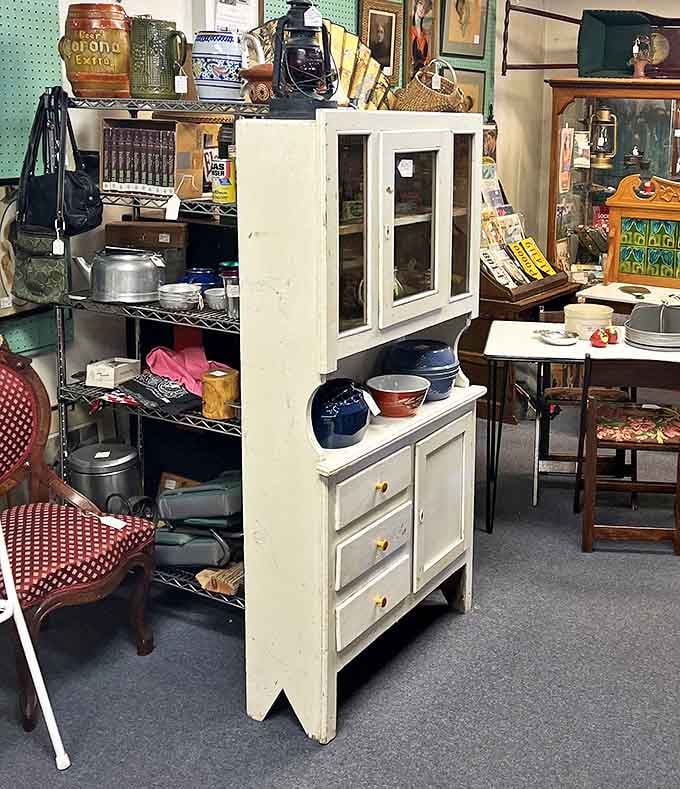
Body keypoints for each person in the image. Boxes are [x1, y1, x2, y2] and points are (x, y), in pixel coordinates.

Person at [410, 0, 432, 77]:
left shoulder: (425, 35)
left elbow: (427, 60)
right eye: (420, 4)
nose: (423, 8)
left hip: (420, 76)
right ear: (416, 4)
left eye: (426, 7)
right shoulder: (409, 28)